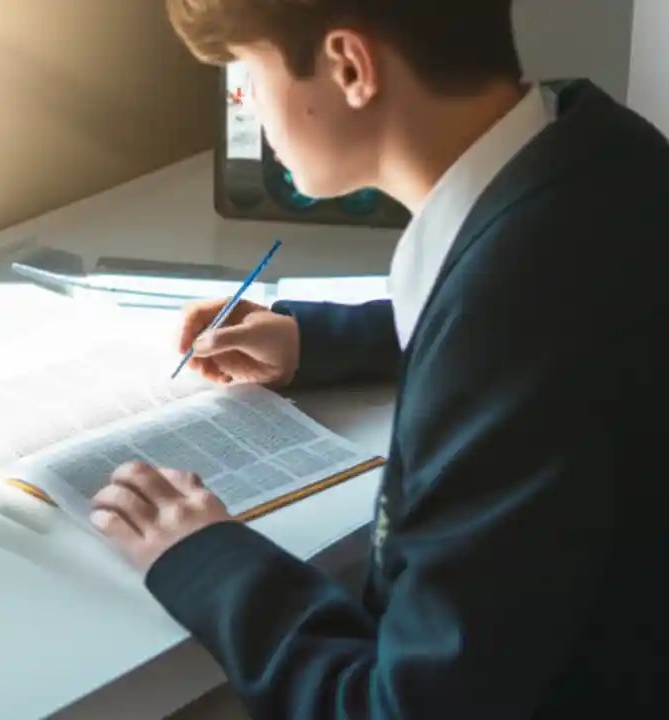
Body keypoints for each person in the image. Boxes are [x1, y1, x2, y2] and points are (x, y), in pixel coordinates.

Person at [87, 1, 666, 717]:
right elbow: (547, 316)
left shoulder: (510, 320)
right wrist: (326, 339)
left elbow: (401, 709)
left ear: (349, 67)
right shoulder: (603, 154)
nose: (246, 100)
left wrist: (208, 560)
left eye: (247, 70)